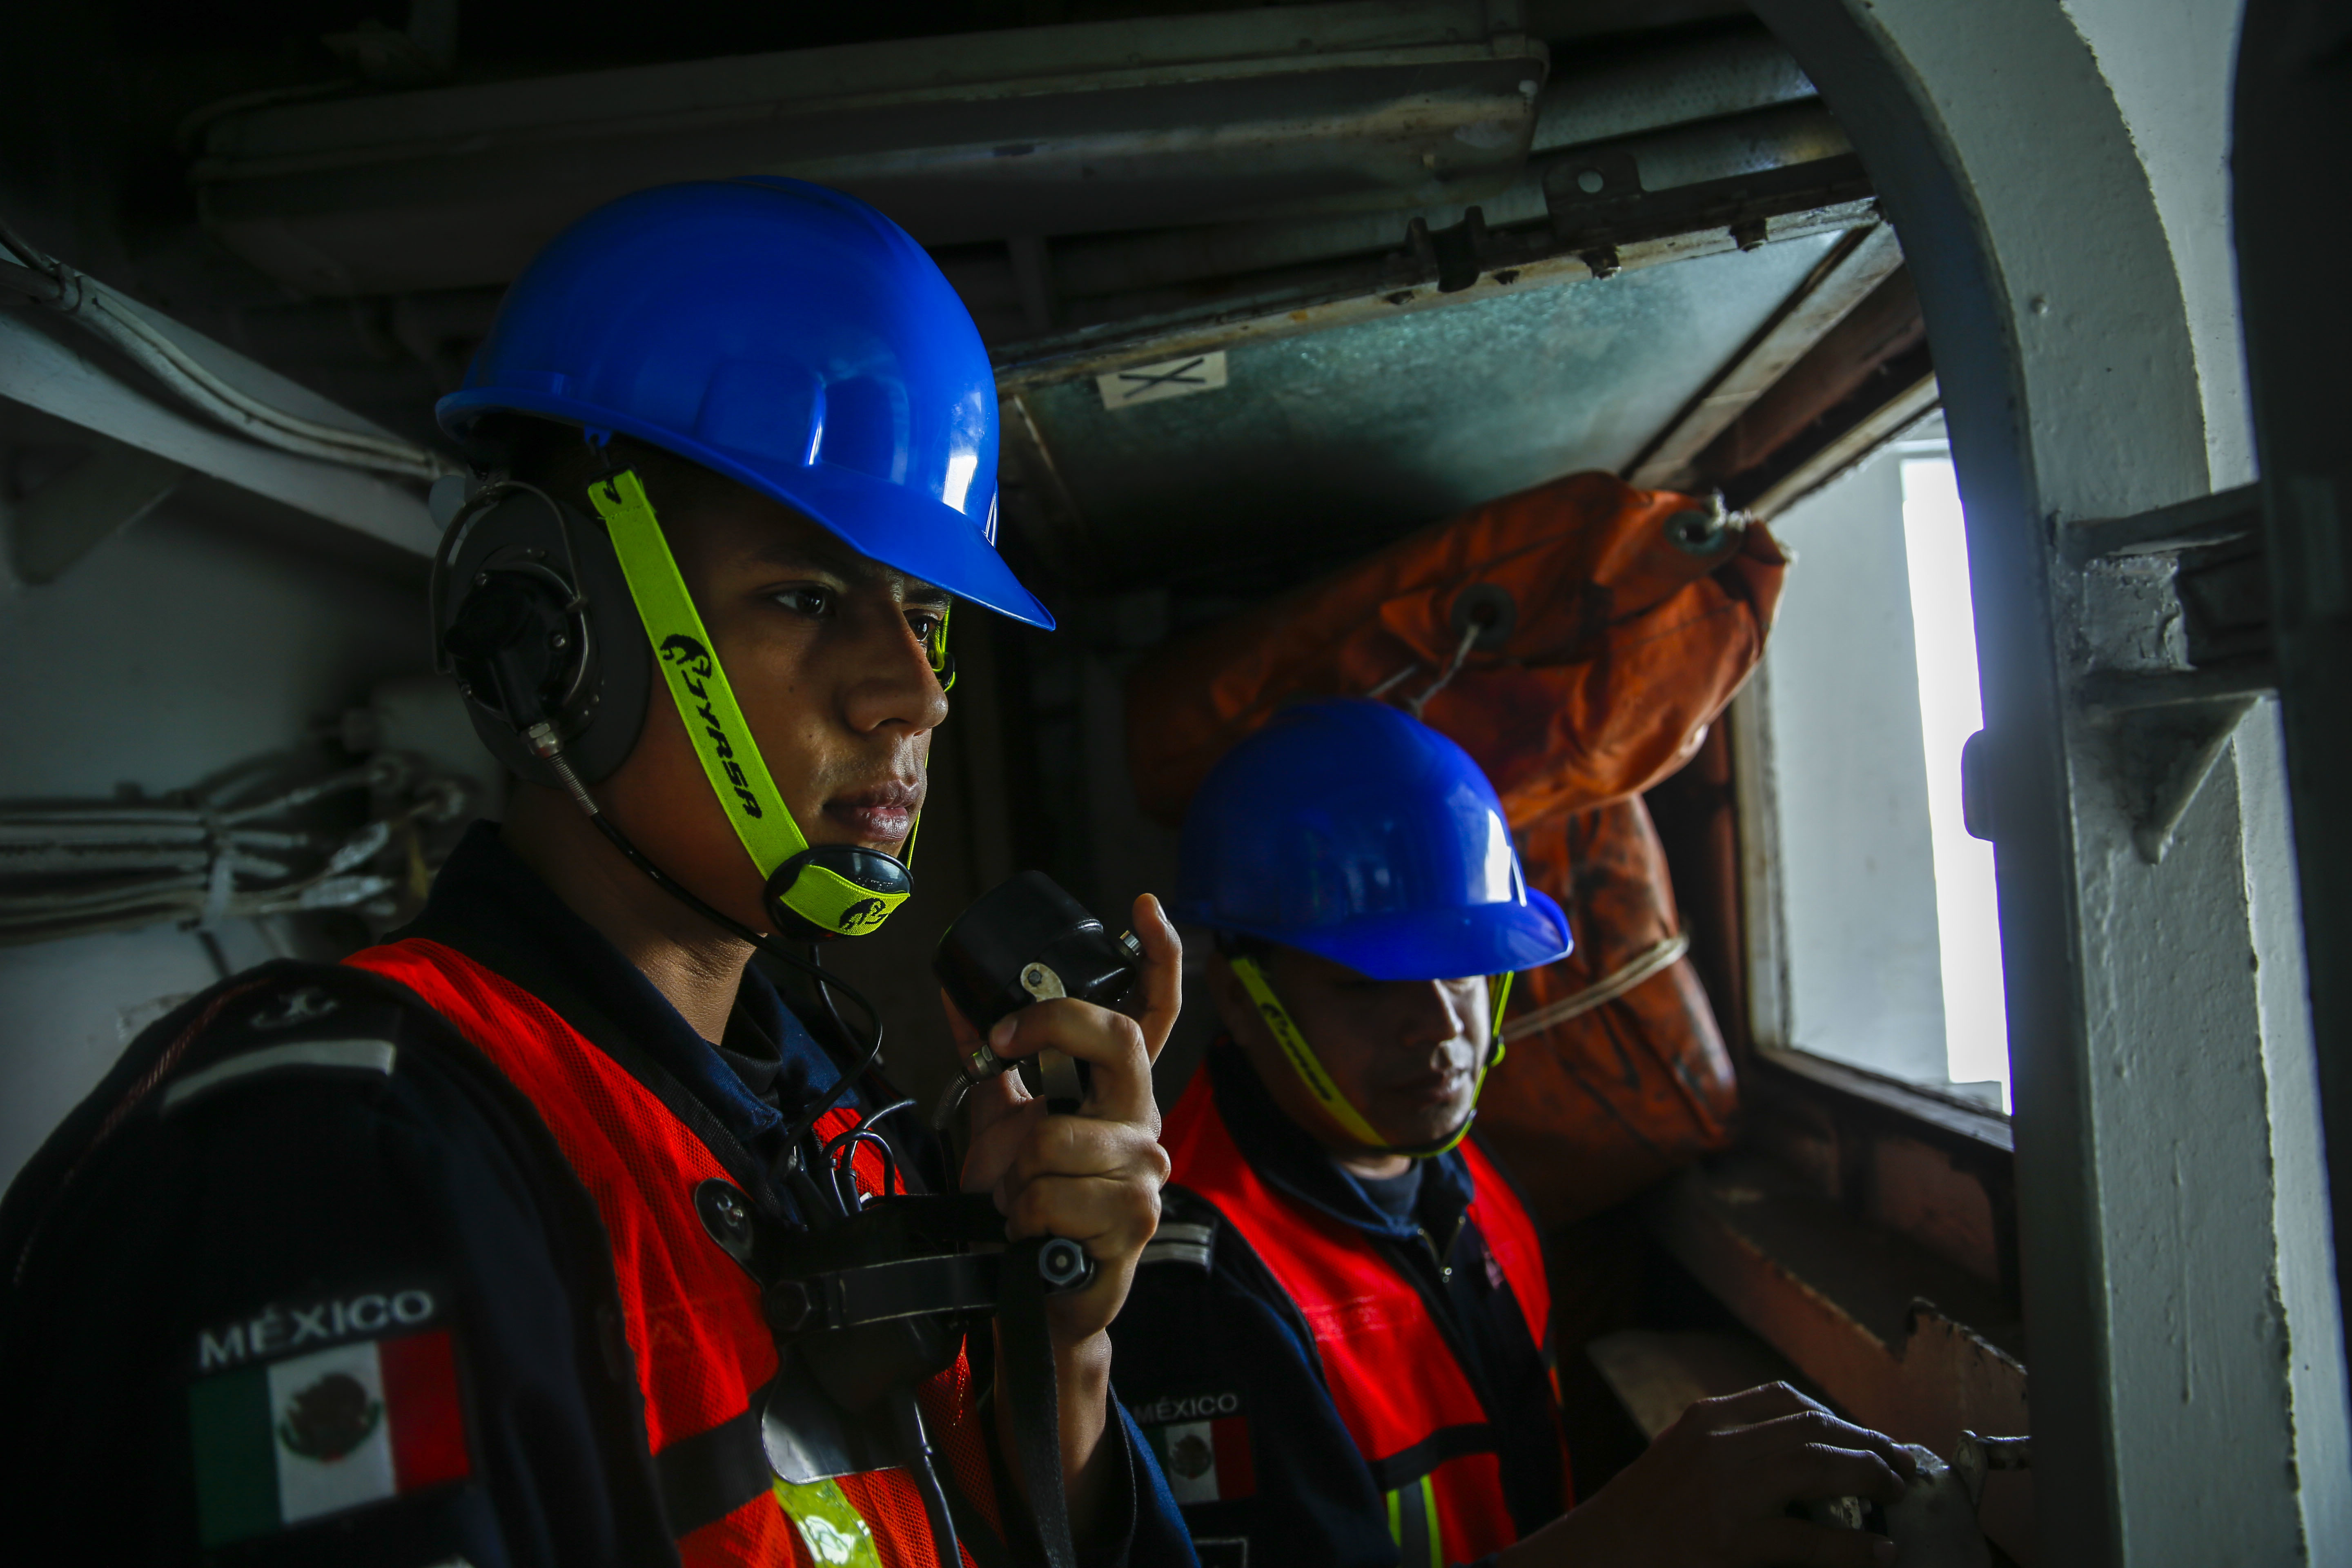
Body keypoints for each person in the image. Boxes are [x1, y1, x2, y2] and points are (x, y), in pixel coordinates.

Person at [0, 179, 1194, 1568]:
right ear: (550, 635)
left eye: (924, 617)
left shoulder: (842, 1128)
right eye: (806, 597)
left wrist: (1059, 1351)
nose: (913, 696)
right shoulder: (333, 1159)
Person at [1110, 699, 1915, 1568]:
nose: (1440, 1026)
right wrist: (1633, 1537)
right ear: (1239, 997)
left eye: (1462, 964)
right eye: (1366, 984)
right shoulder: (1196, 1288)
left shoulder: (1456, 1171)